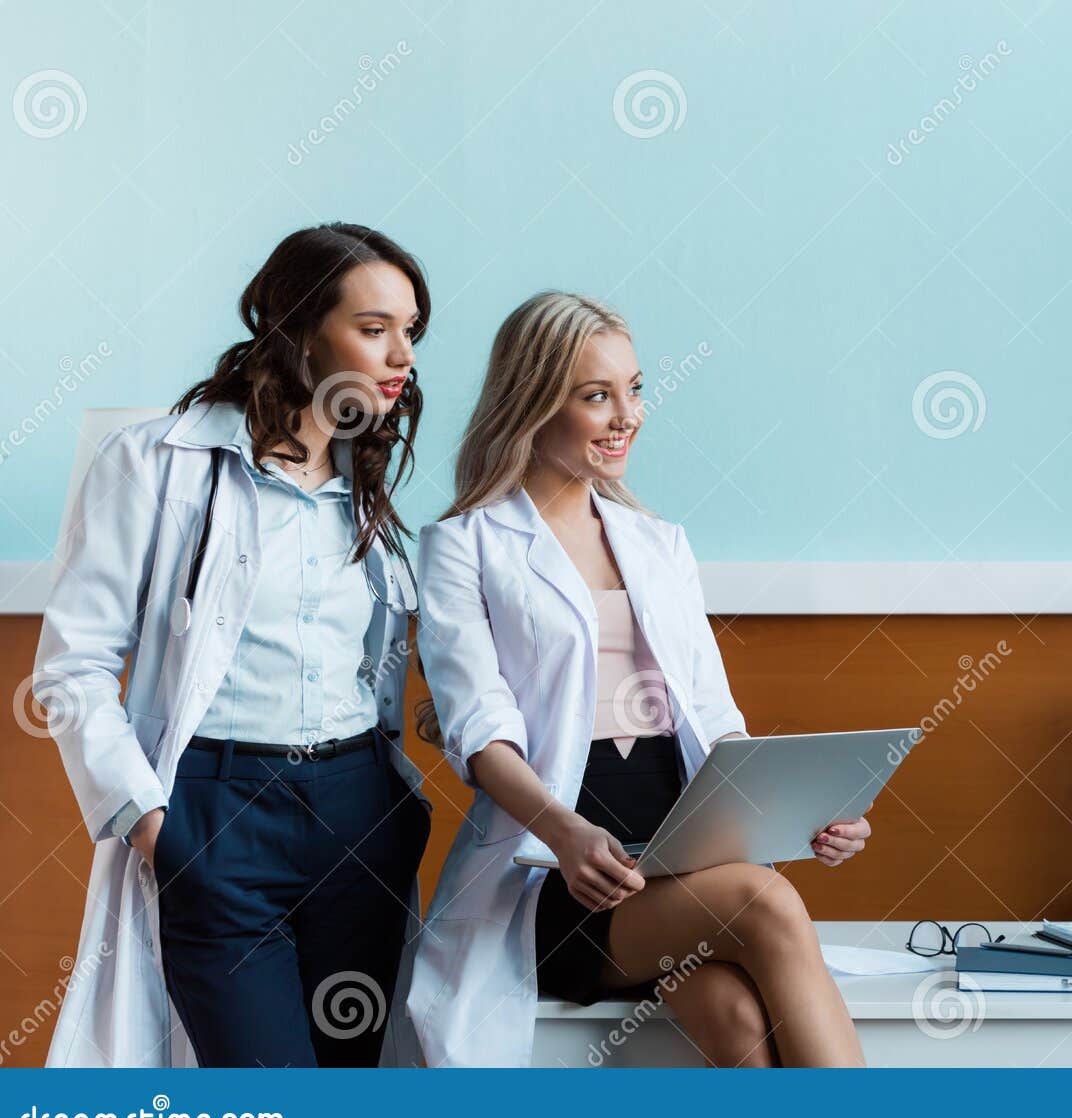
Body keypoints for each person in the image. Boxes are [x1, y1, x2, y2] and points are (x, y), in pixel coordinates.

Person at [407, 290, 871, 1067]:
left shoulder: (660, 543)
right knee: (767, 902)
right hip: (561, 878)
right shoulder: (463, 545)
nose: (628, 415)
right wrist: (565, 833)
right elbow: (479, 734)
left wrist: (801, 815)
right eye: (597, 396)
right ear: (533, 403)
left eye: (635, 389)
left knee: (733, 1017)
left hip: (684, 859)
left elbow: (715, 718)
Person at [36, 224, 433, 1066]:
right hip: (218, 813)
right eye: (373, 329)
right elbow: (72, 669)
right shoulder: (155, 463)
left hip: (358, 810)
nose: (401, 354)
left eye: (410, 331)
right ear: (296, 326)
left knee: (349, 1092)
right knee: (268, 1100)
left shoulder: (366, 482)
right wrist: (156, 830)